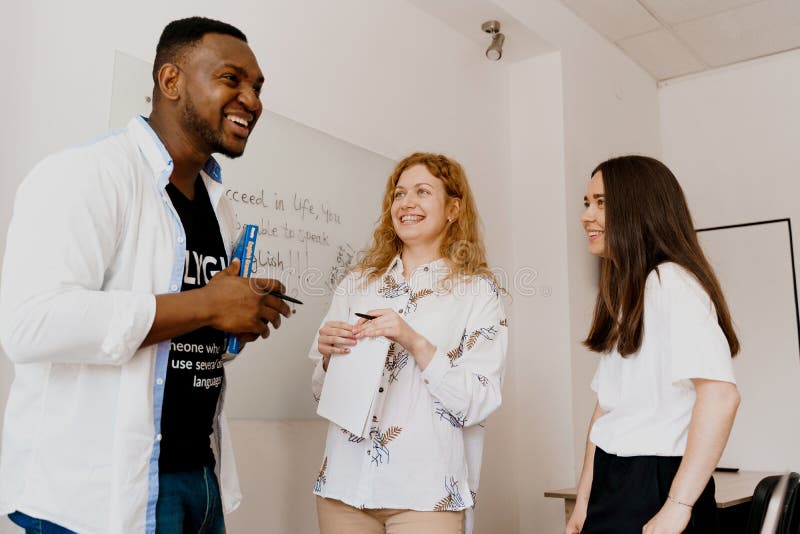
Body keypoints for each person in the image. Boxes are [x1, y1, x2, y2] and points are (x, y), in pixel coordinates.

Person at [0, 17, 291, 534]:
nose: (252, 99)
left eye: (258, 87)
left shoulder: (221, 210)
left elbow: (182, 339)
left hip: (200, 481)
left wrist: (232, 324)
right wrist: (207, 304)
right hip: (95, 498)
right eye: (232, 79)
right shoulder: (87, 174)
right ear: (171, 80)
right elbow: (29, 323)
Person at [309, 152, 508, 534]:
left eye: (422, 192)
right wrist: (329, 358)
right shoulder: (357, 283)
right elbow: (320, 393)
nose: (407, 203)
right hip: (344, 486)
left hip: (426, 492)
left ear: (453, 209)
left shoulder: (478, 292)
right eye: (399, 194)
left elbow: (479, 400)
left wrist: (414, 341)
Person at [566, 155, 741, 534]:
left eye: (601, 203)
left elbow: (721, 396)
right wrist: (583, 501)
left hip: (653, 480)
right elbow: (606, 410)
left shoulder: (670, 283)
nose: (586, 216)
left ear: (637, 209)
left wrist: (678, 507)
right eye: (587, 203)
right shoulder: (631, 290)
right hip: (617, 476)